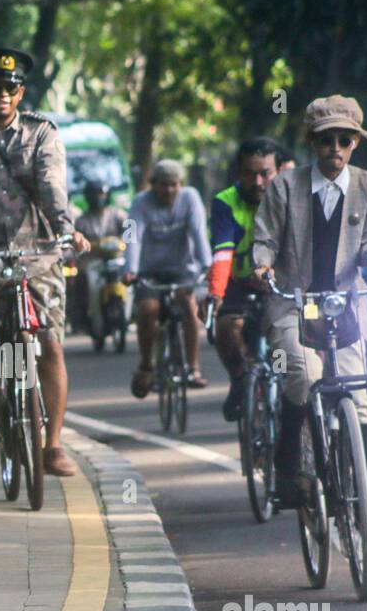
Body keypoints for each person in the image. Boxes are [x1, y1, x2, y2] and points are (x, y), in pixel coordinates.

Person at [0, 47, 90, 478]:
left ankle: (54, 443)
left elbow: (51, 187)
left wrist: (67, 228)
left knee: (51, 344)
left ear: (20, 92)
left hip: (37, 249)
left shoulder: (43, 133)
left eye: (10, 88)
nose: (2, 95)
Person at [251, 94, 367, 529]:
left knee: (360, 403)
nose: (336, 149)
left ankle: (360, 500)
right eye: (327, 140)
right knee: (302, 374)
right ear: (313, 143)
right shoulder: (284, 187)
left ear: (356, 144)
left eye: (345, 140)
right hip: (294, 302)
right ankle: (289, 471)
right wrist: (262, 263)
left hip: (348, 304)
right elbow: (265, 236)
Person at [204, 137, 281, 420]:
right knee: (226, 327)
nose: (258, 182)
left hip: (280, 284)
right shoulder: (225, 202)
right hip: (238, 283)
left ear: (278, 172)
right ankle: (241, 380)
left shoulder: (289, 198)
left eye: (265, 173)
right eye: (250, 174)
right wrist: (215, 293)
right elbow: (222, 253)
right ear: (238, 173)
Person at [124, 159, 213, 397]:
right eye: (163, 185)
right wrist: (129, 269)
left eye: (174, 185)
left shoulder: (190, 198)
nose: (169, 190)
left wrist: (208, 265)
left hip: (182, 268)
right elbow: (132, 235)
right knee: (147, 309)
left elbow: (199, 232)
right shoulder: (140, 202)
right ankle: (146, 364)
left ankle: (193, 367)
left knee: (189, 307)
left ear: (180, 184)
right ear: (153, 185)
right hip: (149, 270)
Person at [75, 179, 128, 334]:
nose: (99, 198)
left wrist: (127, 243)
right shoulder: (81, 220)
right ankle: (85, 315)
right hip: (92, 261)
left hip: (117, 258)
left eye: (102, 194)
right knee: (83, 281)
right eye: (95, 195)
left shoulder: (119, 214)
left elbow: (131, 231)